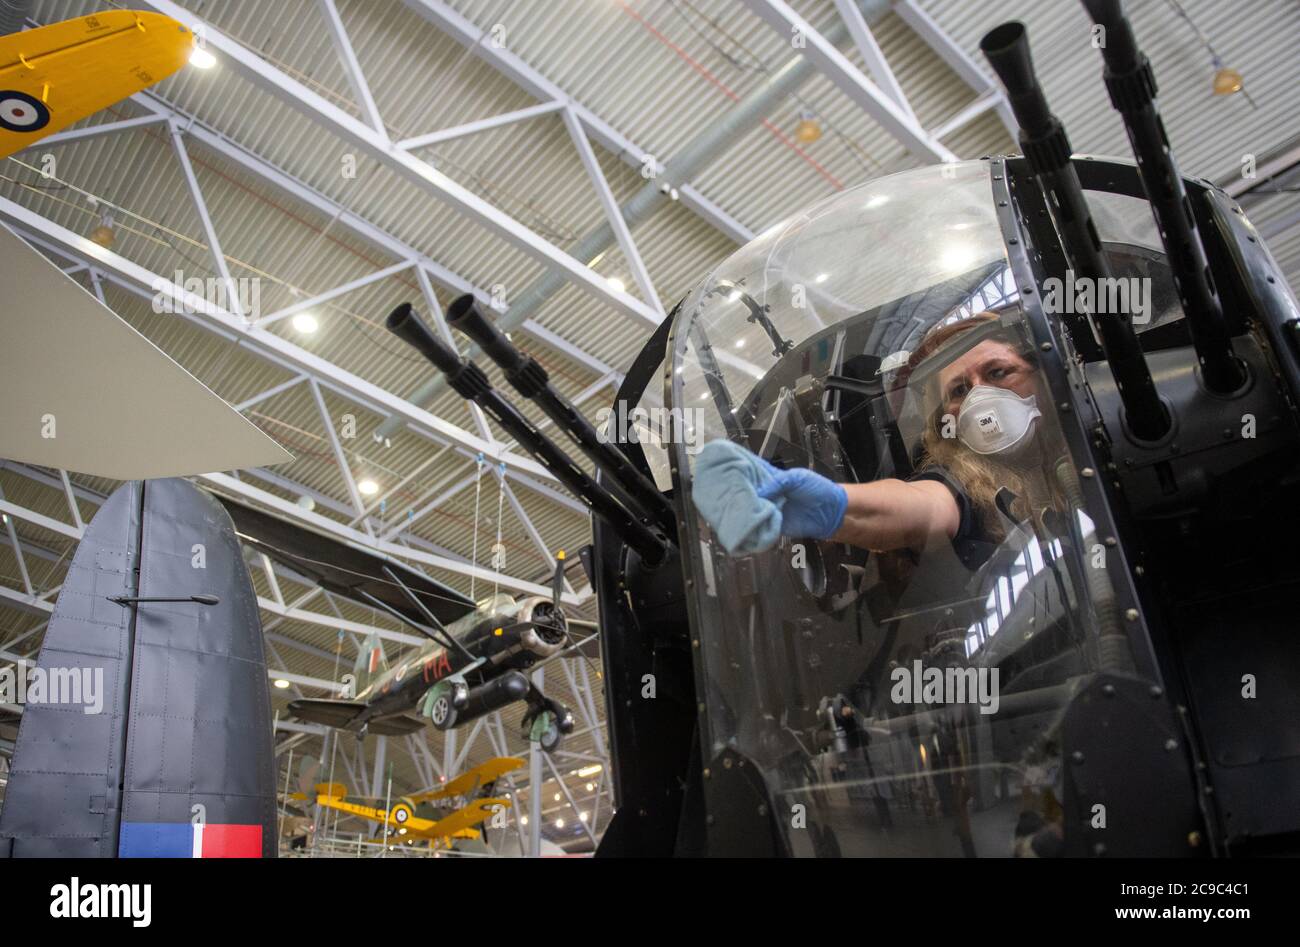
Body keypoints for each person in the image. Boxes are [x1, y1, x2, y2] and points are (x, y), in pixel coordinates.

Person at [692, 311, 1067, 568]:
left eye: (998, 372)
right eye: (958, 391)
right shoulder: (960, 484)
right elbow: (922, 505)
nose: (980, 398)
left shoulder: (1103, 431)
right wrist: (837, 506)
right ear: (945, 420)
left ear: (1042, 373)